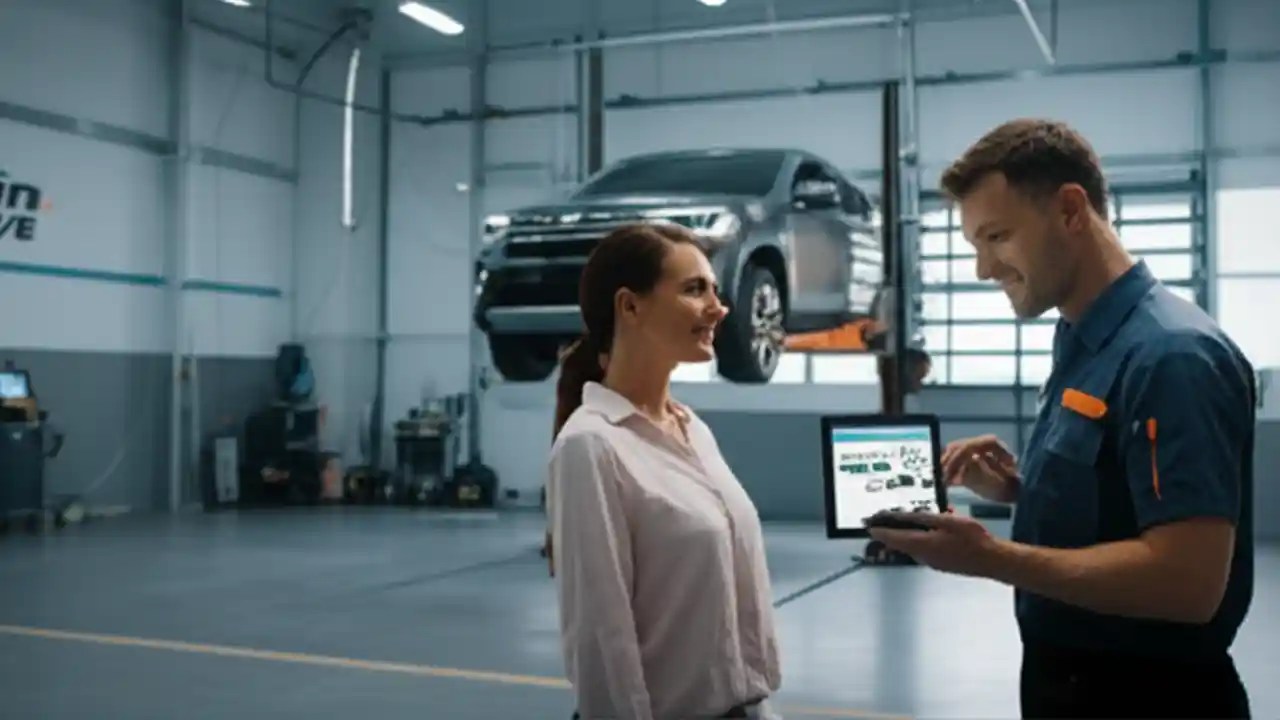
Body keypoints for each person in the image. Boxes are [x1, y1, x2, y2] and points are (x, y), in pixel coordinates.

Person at [867, 118, 1255, 719]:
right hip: (1067, 685)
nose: (983, 268)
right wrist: (1022, 490)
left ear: (1072, 210)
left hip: (1148, 699)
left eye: (996, 236)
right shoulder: (1082, 336)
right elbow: (1124, 500)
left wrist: (989, 557)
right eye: (975, 245)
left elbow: (1188, 581)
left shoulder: (1171, 355)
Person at [546, 223, 783, 720]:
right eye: (695, 289)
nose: (718, 308)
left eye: (714, 290)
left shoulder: (692, 428)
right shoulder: (592, 445)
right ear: (630, 307)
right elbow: (600, 637)